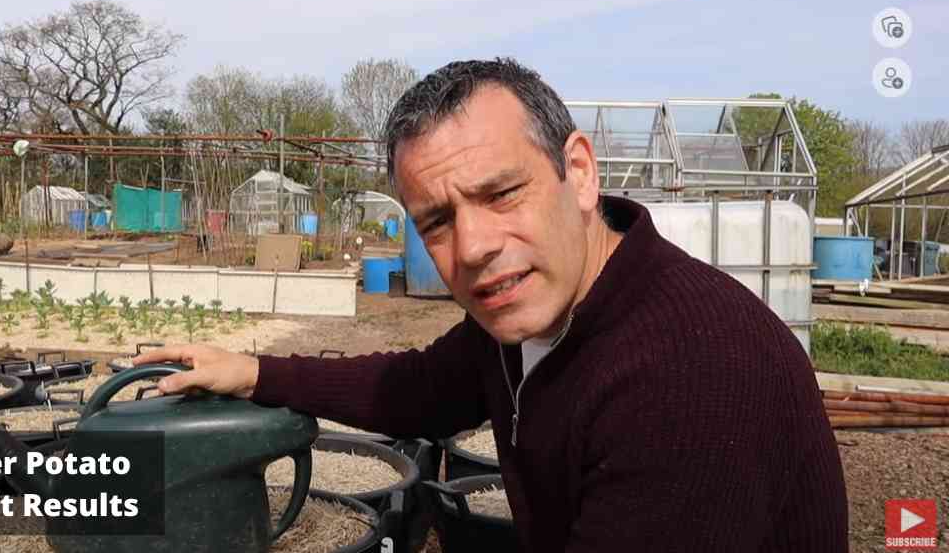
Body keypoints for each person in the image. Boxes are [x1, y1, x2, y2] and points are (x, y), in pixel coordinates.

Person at [133, 58, 848, 552]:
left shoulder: (690, 374)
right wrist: (252, 372)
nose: (472, 246)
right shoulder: (533, 316)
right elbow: (417, 389)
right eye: (437, 221)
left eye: (501, 194)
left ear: (579, 171)